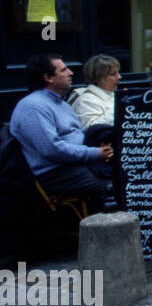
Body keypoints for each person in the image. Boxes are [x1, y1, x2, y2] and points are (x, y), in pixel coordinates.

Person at [11, 54, 114, 212]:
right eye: (63, 70)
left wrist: (98, 147)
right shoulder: (33, 107)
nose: (71, 73)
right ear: (48, 78)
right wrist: (95, 153)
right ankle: (101, 234)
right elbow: (52, 150)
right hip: (56, 173)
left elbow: (77, 135)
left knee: (127, 174)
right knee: (109, 188)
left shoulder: (60, 103)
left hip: (78, 164)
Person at [72, 54, 121, 130]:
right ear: (99, 77)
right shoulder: (86, 100)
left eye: (118, 73)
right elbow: (92, 129)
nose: (119, 77)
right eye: (113, 74)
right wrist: (121, 106)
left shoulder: (112, 94)